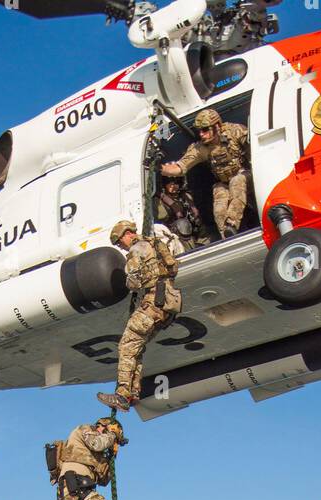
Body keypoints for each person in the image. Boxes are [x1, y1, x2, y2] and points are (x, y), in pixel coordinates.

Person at [97, 220, 181, 413]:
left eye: (119, 242)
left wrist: (128, 280)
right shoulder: (156, 244)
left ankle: (122, 394)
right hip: (169, 304)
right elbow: (173, 268)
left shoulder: (137, 249)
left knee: (127, 345)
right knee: (137, 346)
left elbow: (133, 282)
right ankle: (133, 393)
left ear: (127, 234)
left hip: (153, 302)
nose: (121, 246)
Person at [161, 108, 251, 239]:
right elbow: (179, 168)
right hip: (225, 183)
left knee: (237, 181)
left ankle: (232, 223)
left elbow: (254, 144)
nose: (201, 134)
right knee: (219, 203)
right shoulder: (200, 148)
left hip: (247, 177)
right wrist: (160, 168)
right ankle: (228, 236)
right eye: (199, 131)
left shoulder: (235, 131)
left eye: (205, 130)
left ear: (217, 126)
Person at [155, 172, 210, 253]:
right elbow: (162, 221)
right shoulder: (160, 201)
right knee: (182, 224)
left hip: (192, 229)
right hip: (174, 234)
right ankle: (188, 251)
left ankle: (203, 245)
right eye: (169, 183)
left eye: (176, 183)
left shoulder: (186, 196)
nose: (173, 186)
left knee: (198, 222)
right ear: (164, 185)